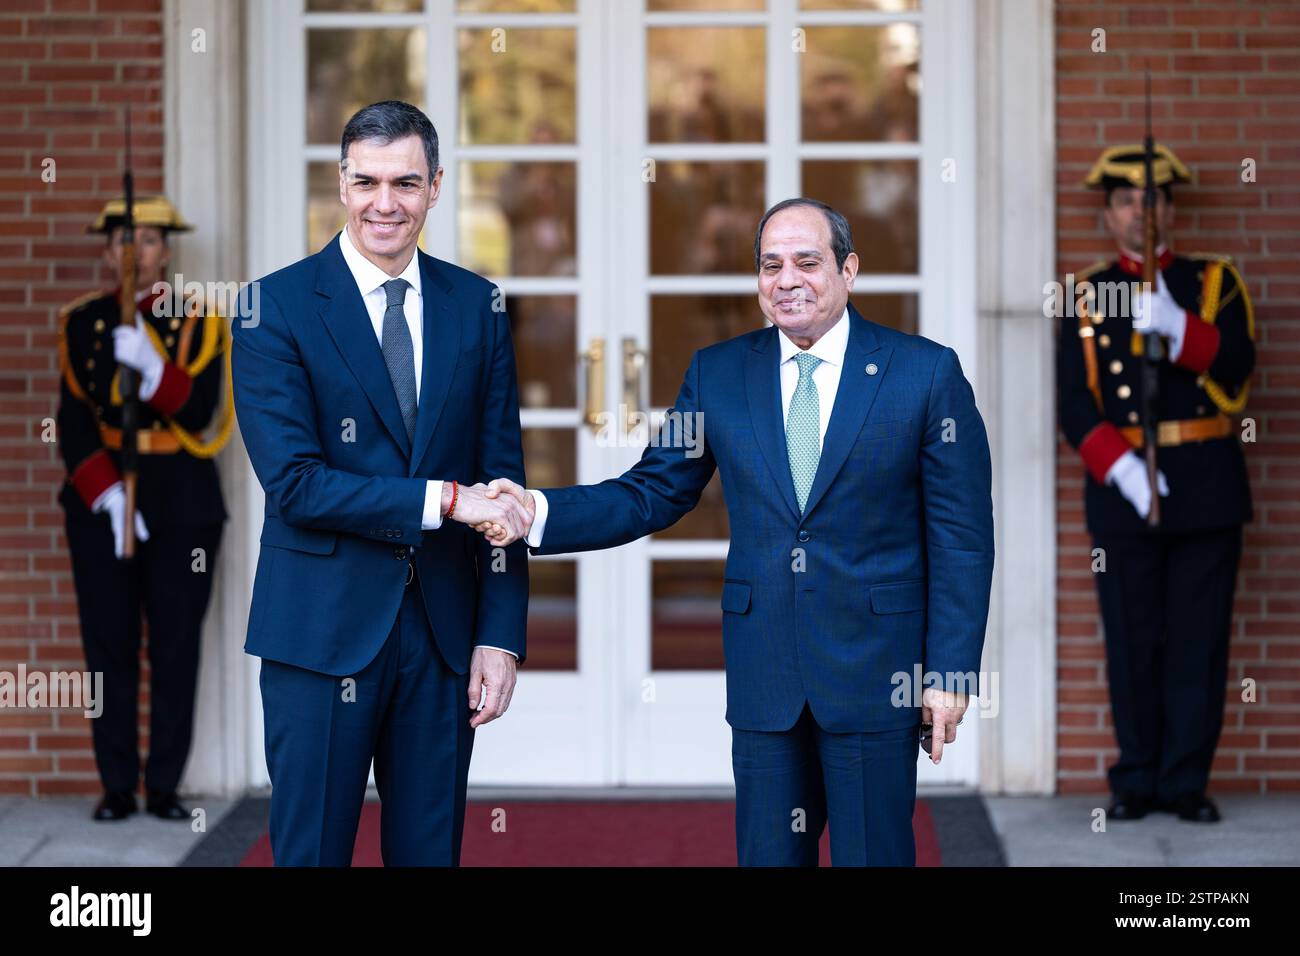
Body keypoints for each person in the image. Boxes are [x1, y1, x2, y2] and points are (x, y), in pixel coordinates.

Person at [483, 199, 995, 866]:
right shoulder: (720, 374)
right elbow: (652, 492)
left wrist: (949, 672)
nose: (787, 280)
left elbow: (962, 535)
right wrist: (535, 513)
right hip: (767, 677)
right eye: (770, 265)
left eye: (807, 263)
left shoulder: (924, 374)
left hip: (877, 671)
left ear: (848, 270)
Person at [230, 100, 534, 866]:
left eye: (405, 182)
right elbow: (297, 484)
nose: (384, 203)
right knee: (313, 854)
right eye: (366, 181)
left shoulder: (479, 306)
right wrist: (446, 500)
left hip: (441, 635)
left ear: (436, 186)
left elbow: (506, 483)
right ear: (341, 183)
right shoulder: (275, 308)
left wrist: (500, 634)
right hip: (319, 631)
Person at [1057, 144, 1255, 823]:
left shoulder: (1212, 282)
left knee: (1199, 643)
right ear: (1109, 215)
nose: (1141, 211)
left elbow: (1238, 368)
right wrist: (1126, 471)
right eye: (1126, 201)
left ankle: (1184, 783)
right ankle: (1136, 778)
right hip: (1124, 493)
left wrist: (1179, 330)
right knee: (1132, 641)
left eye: (1153, 199)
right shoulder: (1086, 291)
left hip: (1205, 486)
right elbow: (1074, 405)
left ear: (1170, 209)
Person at [57, 195, 231, 821]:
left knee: (176, 644)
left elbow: (201, 410)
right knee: (108, 645)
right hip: (104, 501)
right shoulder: (81, 322)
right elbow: (72, 425)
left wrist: (155, 368)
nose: (136, 251)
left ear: (166, 252)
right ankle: (116, 784)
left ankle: (164, 786)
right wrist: (107, 498)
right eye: (124, 240)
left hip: (182, 500)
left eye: (149, 240)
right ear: (108, 252)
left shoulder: (199, 320)